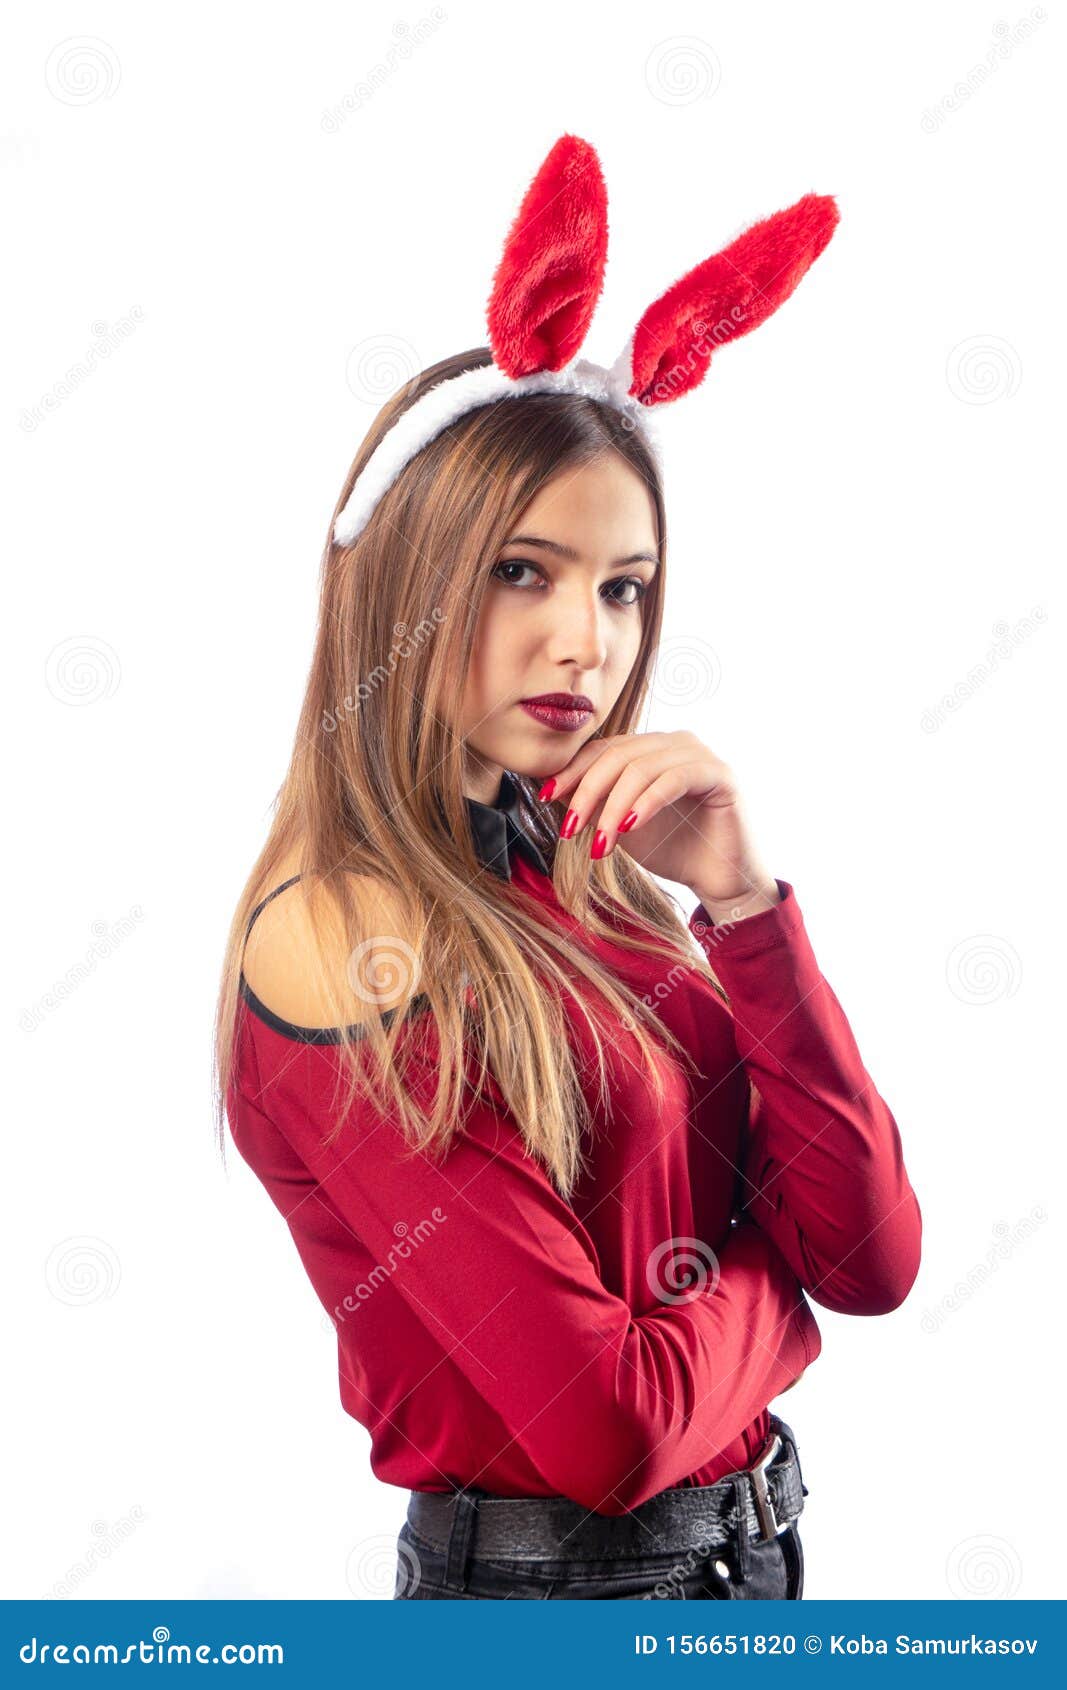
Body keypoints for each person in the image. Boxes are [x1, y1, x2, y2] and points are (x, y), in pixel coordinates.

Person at [213, 136, 922, 1600]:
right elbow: (601, 1427)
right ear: (404, 579)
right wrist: (772, 1299)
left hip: (752, 1577)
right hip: (548, 1611)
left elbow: (871, 1251)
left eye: (621, 587)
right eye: (520, 572)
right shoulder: (343, 934)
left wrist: (743, 907)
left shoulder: (594, 879)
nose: (584, 644)